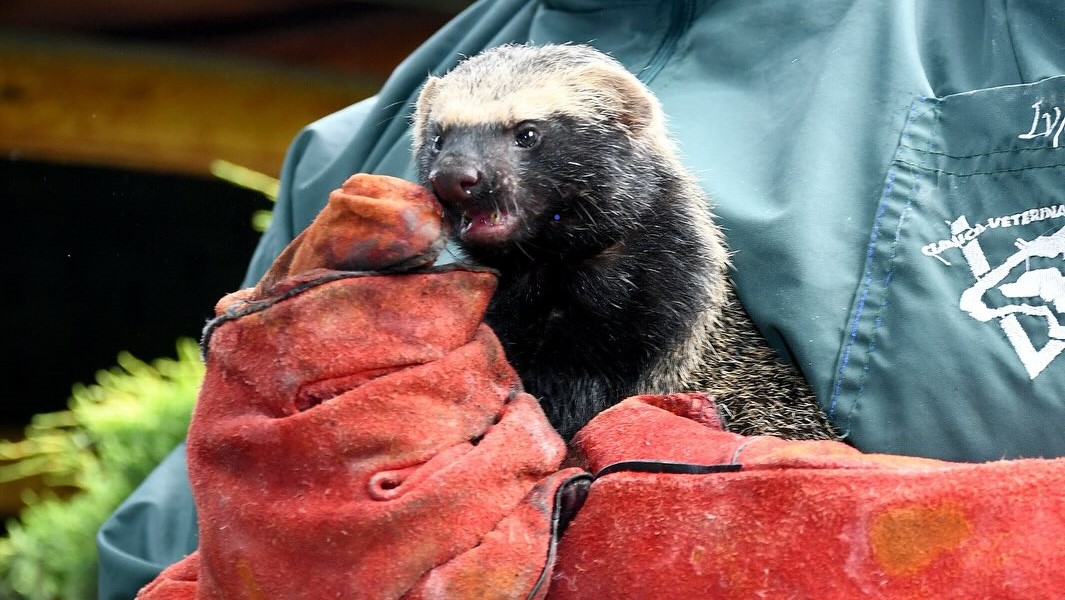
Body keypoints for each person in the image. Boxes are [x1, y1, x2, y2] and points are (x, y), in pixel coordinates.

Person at [98, 1, 1065, 597]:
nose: (462, 175)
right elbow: (174, 543)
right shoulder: (353, 151)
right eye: (447, 152)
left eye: (513, 142)